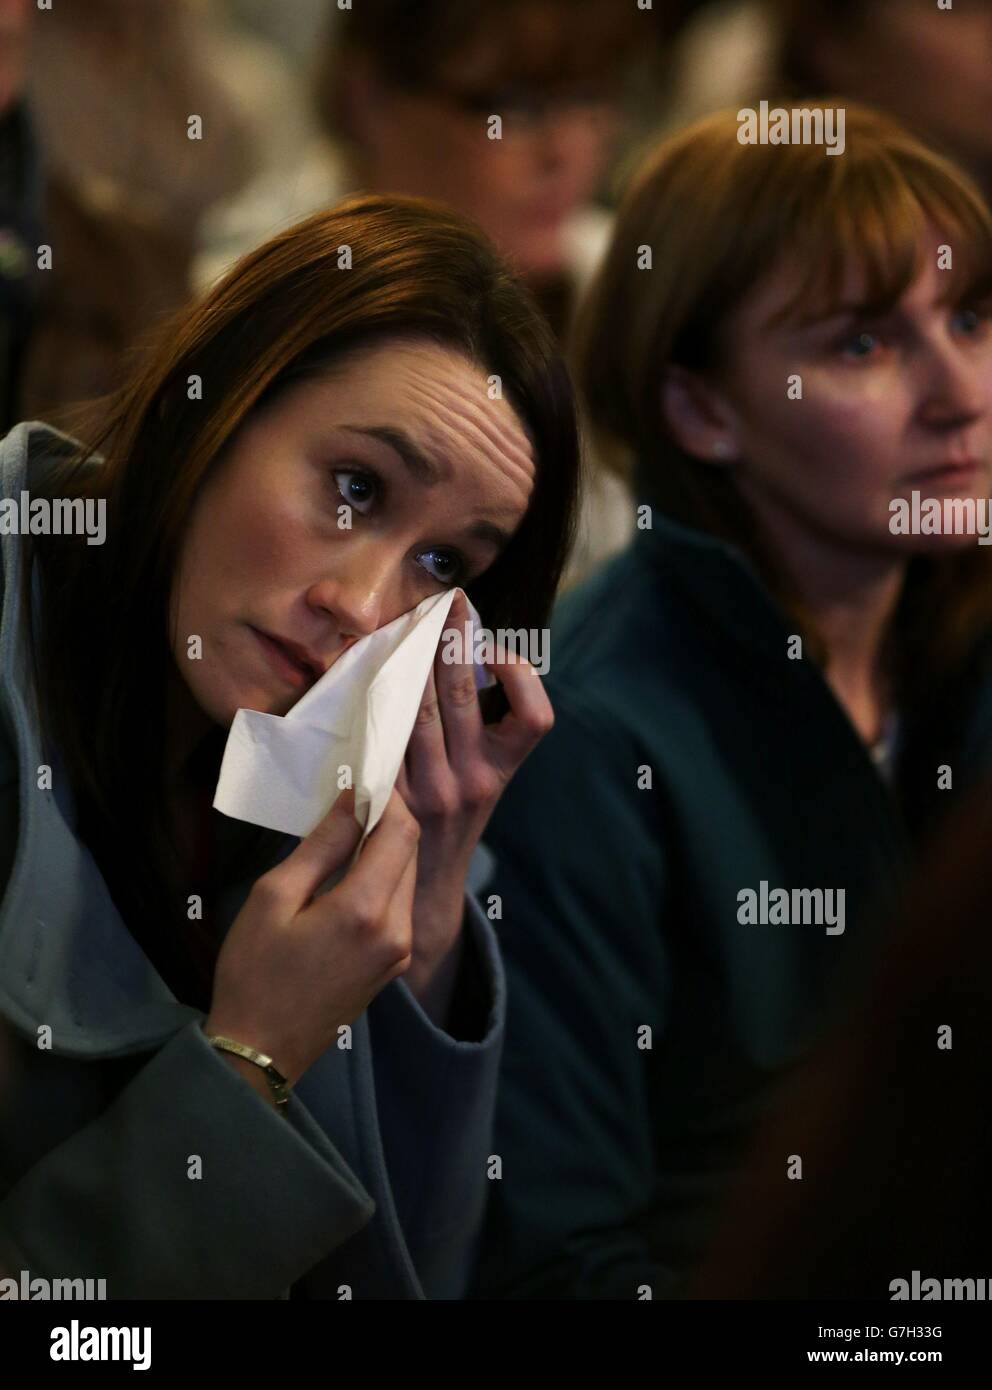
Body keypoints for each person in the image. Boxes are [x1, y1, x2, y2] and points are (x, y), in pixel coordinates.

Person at [0, 193, 579, 1299]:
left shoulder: (323, 771)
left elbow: (411, 1277)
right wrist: (250, 1057)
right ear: (206, 403)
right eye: (354, 488)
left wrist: (428, 932)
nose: (363, 605)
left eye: (444, 566)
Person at [471, 105, 992, 1298]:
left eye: (967, 318)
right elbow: (557, 1266)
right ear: (701, 410)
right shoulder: (587, 737)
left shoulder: (963, 646)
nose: (958, 391)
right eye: (861, 345)